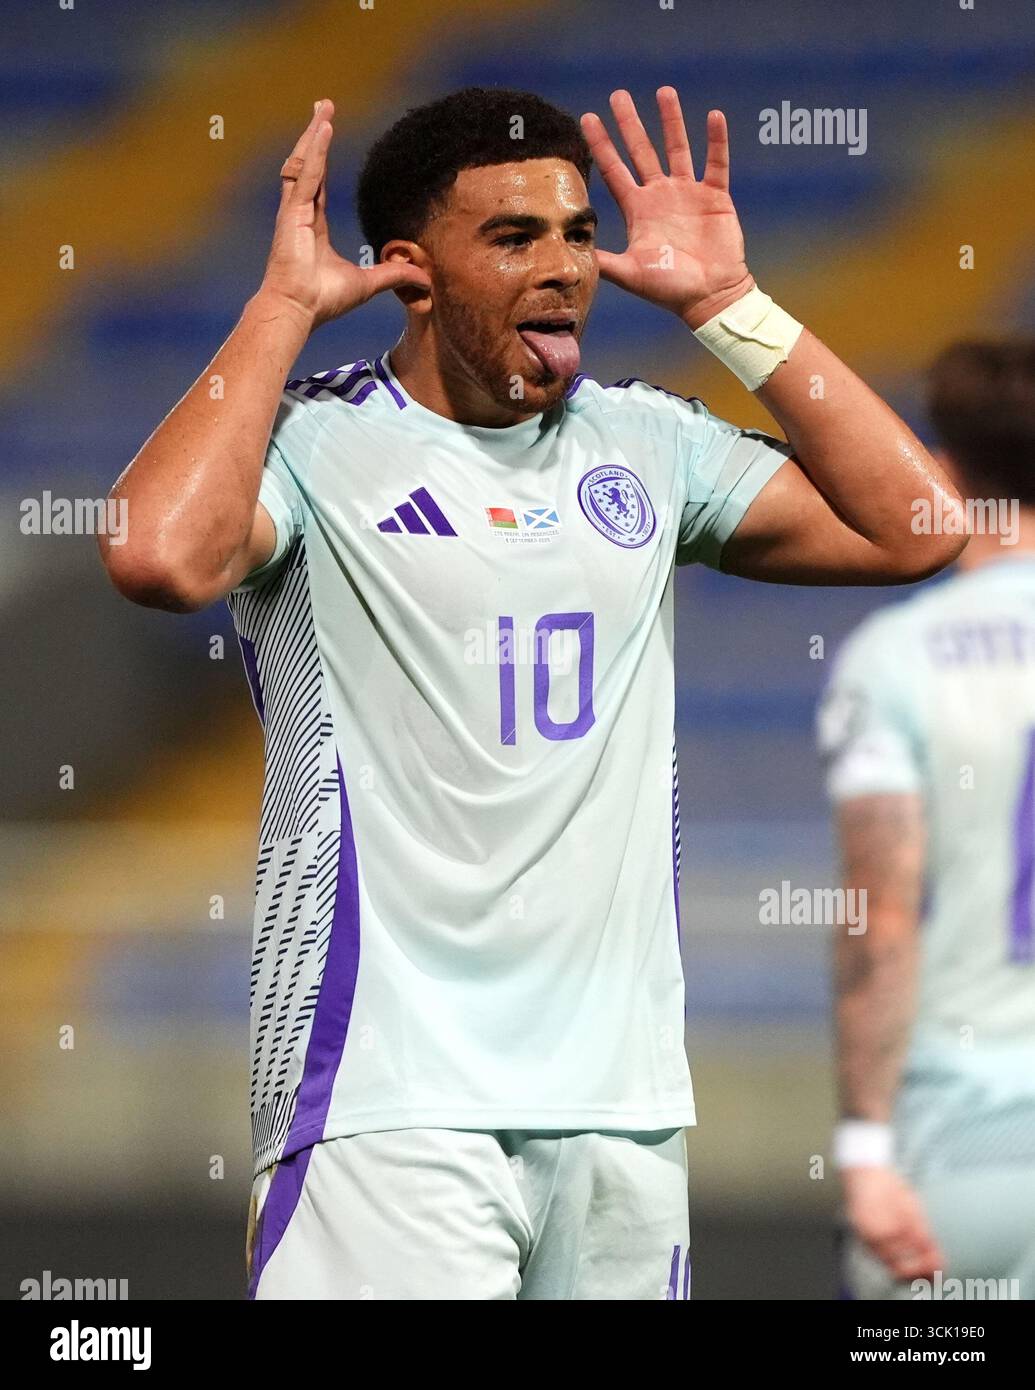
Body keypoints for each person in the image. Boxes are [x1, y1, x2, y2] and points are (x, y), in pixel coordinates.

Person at [100, 84, 963, 1300]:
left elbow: (920, 526)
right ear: (410, 269)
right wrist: (282, 309)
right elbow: (154, 556)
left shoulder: (648, 442)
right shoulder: (309, 446)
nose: (564, 266)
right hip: (385, 1099)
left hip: (624, 1104)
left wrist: (731, 306)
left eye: (574, 231)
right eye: (514, 238)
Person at [818, 340, 1035, 1301]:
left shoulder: (899, 656)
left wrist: (862, 1147)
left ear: (943, 470)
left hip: (961, 1143)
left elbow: (883, 916)